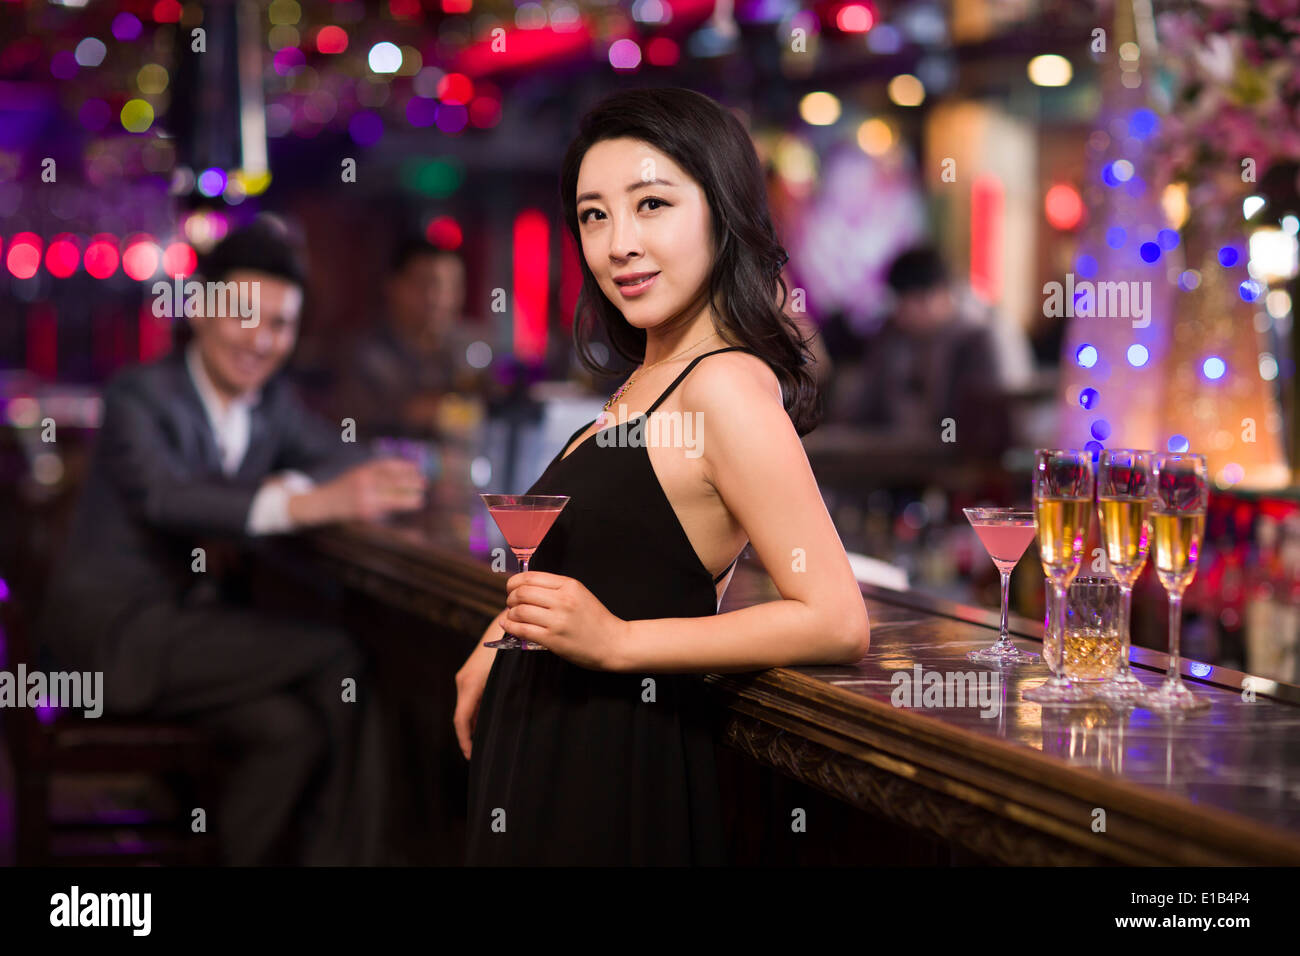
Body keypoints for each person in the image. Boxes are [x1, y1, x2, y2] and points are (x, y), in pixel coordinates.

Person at [454, 87, 872, 866]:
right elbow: (596, 560)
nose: (618, 243)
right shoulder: (640, 384)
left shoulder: (723, 387)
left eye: (651, 205)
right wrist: (498, 634)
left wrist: (617, 643)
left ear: (720, 210)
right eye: (594, 215)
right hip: (544, 747)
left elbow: (835, 617)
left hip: (613, 762)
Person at [37, 217, 427, 865]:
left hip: (192, 636)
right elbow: (166, 497)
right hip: (111, 642)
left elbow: (340, 456)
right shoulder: (142, 394)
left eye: (281, 325)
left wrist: (317, 479)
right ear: (198, 308)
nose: (261, 340)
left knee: (290, 732)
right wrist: (309, 501)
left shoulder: (269, 405)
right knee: (341, 657)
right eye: (245, 314)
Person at [839, 246, 1017, 459]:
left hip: (964, 465)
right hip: (897, 462)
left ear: (940, 293)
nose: (903, 313)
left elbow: (986, 426)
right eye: (900, 302)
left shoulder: (978, 338)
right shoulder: (891, 336)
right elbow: (864, 409)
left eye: (912, 302)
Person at [337, 239, 482, 437]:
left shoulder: (474, 346)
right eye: (425, 284)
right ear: (393, 286)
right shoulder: (364, 354)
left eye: (452, 286)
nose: (439, 298)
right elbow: (358, 425)